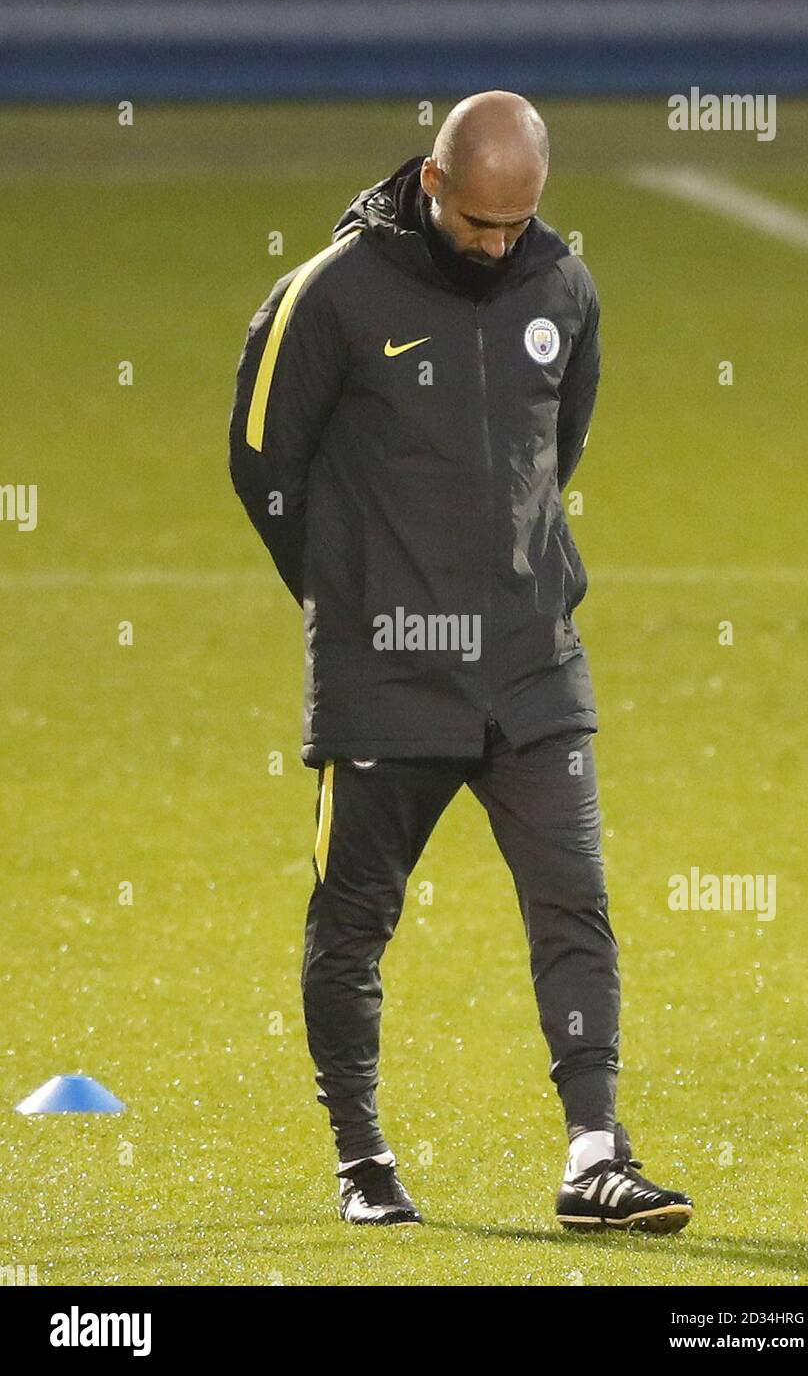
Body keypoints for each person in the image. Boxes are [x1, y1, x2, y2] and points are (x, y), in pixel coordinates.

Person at [229, 91, 693, 1233]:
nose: (500, 248)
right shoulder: (329, 294)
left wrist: (511, 577)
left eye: (518, 224)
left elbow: (554, 447)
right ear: (433, 185)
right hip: (387, 672)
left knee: (573, 904)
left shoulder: (560, 286)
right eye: (481, 225)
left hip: (533, 665)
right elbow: (260, 462)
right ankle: (361, 1156)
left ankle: (594, 1155)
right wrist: (355, 598)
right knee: (353, 920)